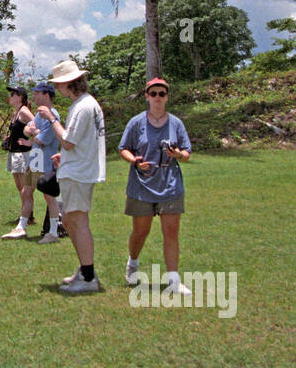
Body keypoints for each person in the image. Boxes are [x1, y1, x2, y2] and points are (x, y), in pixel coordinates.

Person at [118, 76, 194, 296]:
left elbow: (187, 153)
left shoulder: (176, 123)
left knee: (171, 231)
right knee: (141, 231)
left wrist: (178, 154)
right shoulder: (136, 123)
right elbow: (123, 148)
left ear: (167, 97)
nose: (158, 98)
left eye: (162, 94)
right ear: (146, 97)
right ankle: (132, 262)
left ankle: (173, 279)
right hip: (141, 184)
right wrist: (134, 161)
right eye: (154, 94)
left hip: (170, 183)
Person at [39, 60, 108, 295]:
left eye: (59, 85)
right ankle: (84, 269)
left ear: (69, 83)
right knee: (70, 221)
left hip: (79, 172)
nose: (57, 90)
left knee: (77, 222)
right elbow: (80, 141)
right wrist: (66, 156)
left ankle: (88, 277)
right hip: (78, 167)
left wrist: (51, 118)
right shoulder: (85, 105)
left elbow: (68, 140)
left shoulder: (82, 106)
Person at [23, 81, 63, 244]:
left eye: (37, 93)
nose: (34, 96)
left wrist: (33, 134)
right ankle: (21, 226)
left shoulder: (52, 115)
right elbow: (26, 130)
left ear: (46, 95)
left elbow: (41, 140)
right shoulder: (39, 114)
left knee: (49, 196)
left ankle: (53, 231)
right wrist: (32, 132)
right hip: (35, 160)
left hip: (47, 160)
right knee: (26, 192)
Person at [0, 86, 38, 239]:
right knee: (19, 186)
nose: (10, 96)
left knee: (25, 188)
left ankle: (28, 216)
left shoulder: (23, 111)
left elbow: (37, 124)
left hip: (23, 154)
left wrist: (30, 142)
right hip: (14, 152)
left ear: (20, 97)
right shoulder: (16, 112)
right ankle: (26, 214)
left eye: (13, 94)